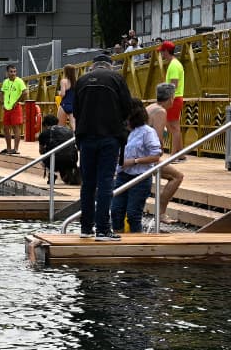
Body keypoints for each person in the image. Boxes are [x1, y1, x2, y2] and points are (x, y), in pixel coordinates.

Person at [72, 52, 129, 241]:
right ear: (110, 66)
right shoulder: (116, 78)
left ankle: (86, 227)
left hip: (86, 137)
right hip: (109, 137)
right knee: (105, 182)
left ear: (93, 66)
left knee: (88, 184)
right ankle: (103, 229)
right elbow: (127, 107)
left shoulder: (81, 80)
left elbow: (76, 110)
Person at [116, 101, 163, 233]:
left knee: (133, 214)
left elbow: (156, 155)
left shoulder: (147, 132)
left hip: (140, 177)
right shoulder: (123, 131)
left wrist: (134, 161)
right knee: (116, 211)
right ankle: (117, 238)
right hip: (122, 175)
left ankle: (136, 240)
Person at [142, 84, 185, 225]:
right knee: (177, 176)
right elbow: (158, 139)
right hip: (146, 156)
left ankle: (159, 212)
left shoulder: (150, 107)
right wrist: (158, 154)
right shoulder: (160, 111)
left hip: (138, 152)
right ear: (171, 98)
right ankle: (160, 213)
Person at [37, 113, 78, 186]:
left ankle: (52, 174)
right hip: (72, 159)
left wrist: (47, 148)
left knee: (42, 159)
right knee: (64, 154)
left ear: (45, 124)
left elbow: (41, 151)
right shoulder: (68, 130)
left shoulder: (44, 133)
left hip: (55, 161)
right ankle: (70, 173)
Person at [155, 41, 185, 132]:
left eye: (162, 51)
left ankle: (176, 143)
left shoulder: (173, 65)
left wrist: (167, 101)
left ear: (166, 51)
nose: (161, 54)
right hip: (174, 99)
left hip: (173, 99)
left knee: (173, 127)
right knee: (173, 127)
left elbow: (174, 85)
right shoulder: (175, 64)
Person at [0, 67, 26, 155]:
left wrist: (17, 102)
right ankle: (8, 148)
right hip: (7, 108)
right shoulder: (5, 82)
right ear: (7, 72)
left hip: (15, 108)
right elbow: (1, 92)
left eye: (14, 71)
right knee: (5, 128)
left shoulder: (19, 81)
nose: (13, 73)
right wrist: (2, 102)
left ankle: (16, 149)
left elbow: (25, 92)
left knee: (15, 127)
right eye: (11, 71)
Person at [56, 65, 77, 130]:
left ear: (65, 72)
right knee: (74, 126)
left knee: (60, 127)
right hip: (73, 105)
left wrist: (59, 93)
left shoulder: (63, 81)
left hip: (64, 104)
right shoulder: (76, 82)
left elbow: (63, 94)